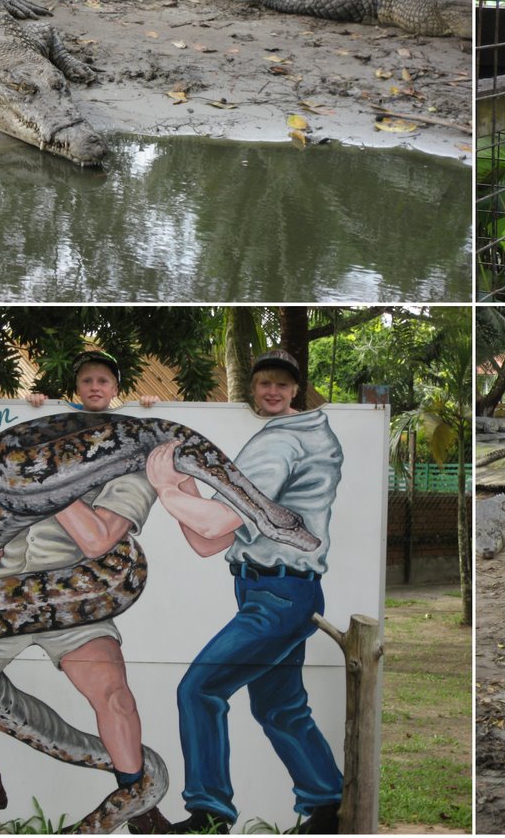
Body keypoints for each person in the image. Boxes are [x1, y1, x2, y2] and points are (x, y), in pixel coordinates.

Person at [0, 351, 161, 831]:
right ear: (77, 389)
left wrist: (46, 481)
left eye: (104, 379)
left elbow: (99, 539)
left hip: (77, 594)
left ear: (116, 389)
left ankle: (137, 799)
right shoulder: (34, 450)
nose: (95, 386)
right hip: (6, 596)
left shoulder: (132, 461)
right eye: (86, 379)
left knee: (113, 695)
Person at [147, 349, 345, 835]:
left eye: (282, 384)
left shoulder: (281, 444)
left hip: (279, 595)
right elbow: (209, 542)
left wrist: (165, 488)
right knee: (279, 707)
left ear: (296, 389)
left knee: (199, 690)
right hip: (270, 590)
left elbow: (216, 523)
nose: (272, 391)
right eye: (264, 384)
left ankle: (209, 814)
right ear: (253, 388)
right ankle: (326, 806)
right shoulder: (301, 434)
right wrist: (183, 491)